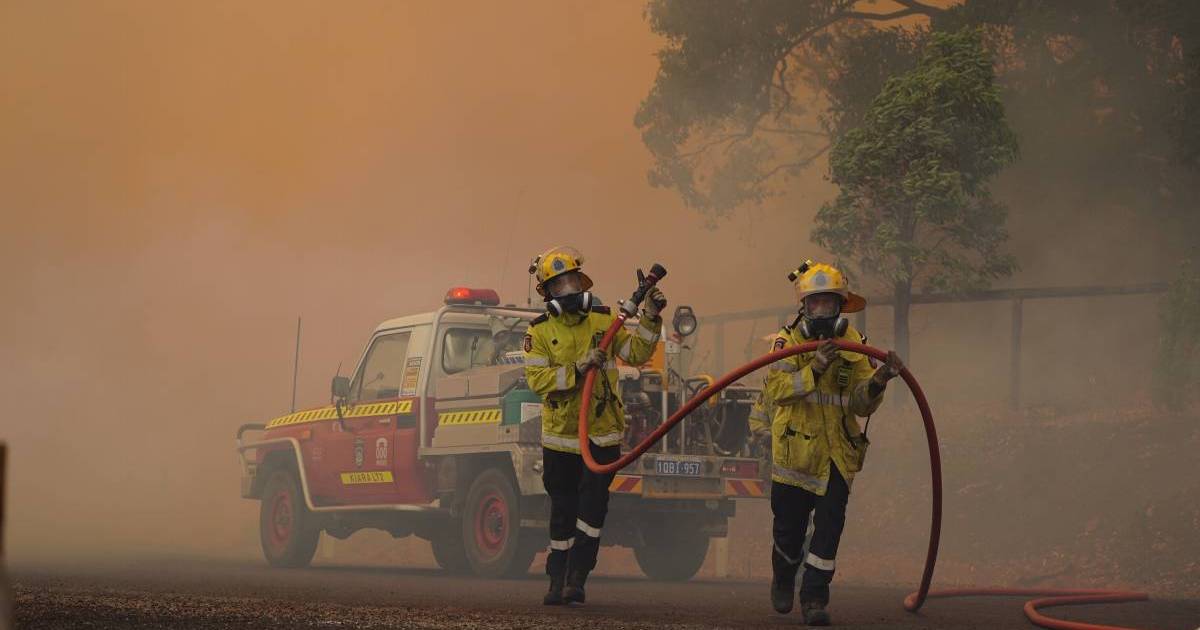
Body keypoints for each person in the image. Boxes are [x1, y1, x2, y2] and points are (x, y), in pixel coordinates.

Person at [522, 246, 665, 605]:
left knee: (592, 510)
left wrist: (650, 317)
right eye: (559, 286)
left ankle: (578, 577)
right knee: (562, 511)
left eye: (572, 281)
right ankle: (557, 578)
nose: (568, 290)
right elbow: (537, 380)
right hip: (560, 439)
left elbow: (636, 354)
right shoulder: (539, 332)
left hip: (601, 435)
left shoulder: (604, 321)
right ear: (548, 294)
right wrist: (577, 369)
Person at [764, 261, 904, 626]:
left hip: (836, 457)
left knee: (828, 531)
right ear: (804, 307)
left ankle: (814, 599)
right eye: (815, 303)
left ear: (841, 306)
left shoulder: (855, 345)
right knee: (789, 533)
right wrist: (813, 369)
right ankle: (783, 577)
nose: (822, 311)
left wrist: (879, 380)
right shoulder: (787, 342)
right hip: (795, 457)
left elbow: (860, 404)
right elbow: (776, 390)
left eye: (829, 303)